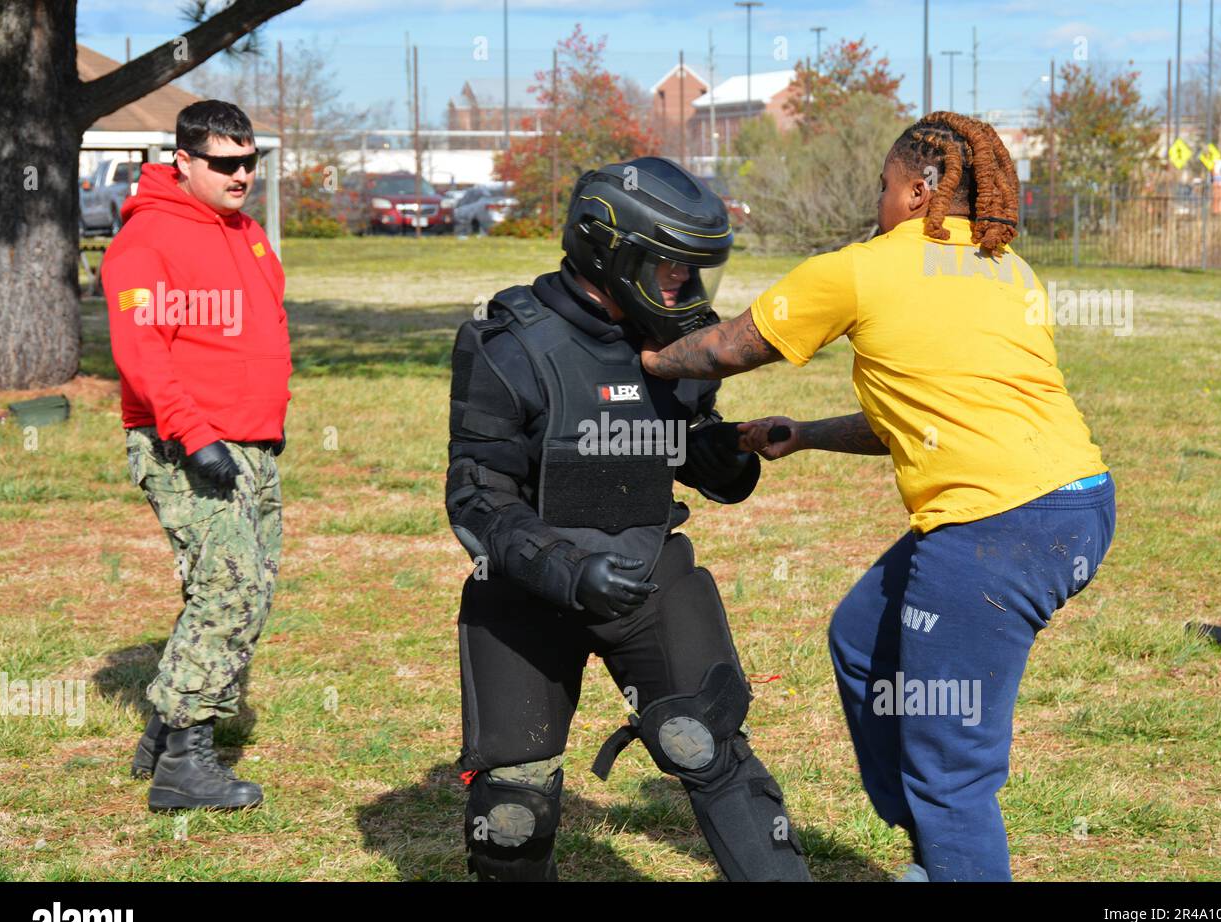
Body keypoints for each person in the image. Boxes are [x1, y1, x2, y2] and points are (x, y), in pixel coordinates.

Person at [640, 112, 1116, 881]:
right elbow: (925, 415)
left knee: (950, 763)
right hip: (1078, 505)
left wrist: (648, 360)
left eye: (887, 186)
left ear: (920, 191)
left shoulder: (861, 268)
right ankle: (936, 848)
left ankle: (947, 838)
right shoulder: (1007, 270)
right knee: (864, 639)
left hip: (997, 528)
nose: (881, 200)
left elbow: (729, 347)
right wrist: (809, 434)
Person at [445, 156, 811, 881]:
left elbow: (671, 448)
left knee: (701, 739)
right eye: (670, 263)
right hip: (530, 593)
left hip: (646, 576)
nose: (686, 283)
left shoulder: (680, 342)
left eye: (695, 267)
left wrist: (720, 455)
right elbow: (477, 501)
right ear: (606, 246)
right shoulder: (509, 344)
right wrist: (570, 571)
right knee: (513, 809)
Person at [102, 100, 290, 811]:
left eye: (251, 161)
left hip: (251, 442)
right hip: (186, 442)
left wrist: (264, 423)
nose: (243, 174)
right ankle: (185, 763)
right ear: (182, 161)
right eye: (225, 163)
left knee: (250, 587)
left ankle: (165, 724)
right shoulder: (146, 240)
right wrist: (195, 433)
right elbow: (140, 350)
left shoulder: (244, 234)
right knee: (230, 586)